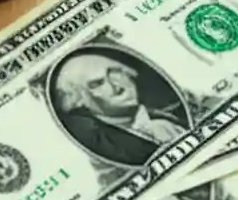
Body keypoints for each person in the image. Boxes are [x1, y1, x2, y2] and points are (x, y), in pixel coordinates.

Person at [50, 52, 189, 168]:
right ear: (80, 101)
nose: (116, 86)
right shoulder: (104, 147)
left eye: (114, 72)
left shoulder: (169, 115)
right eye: (97, 84)